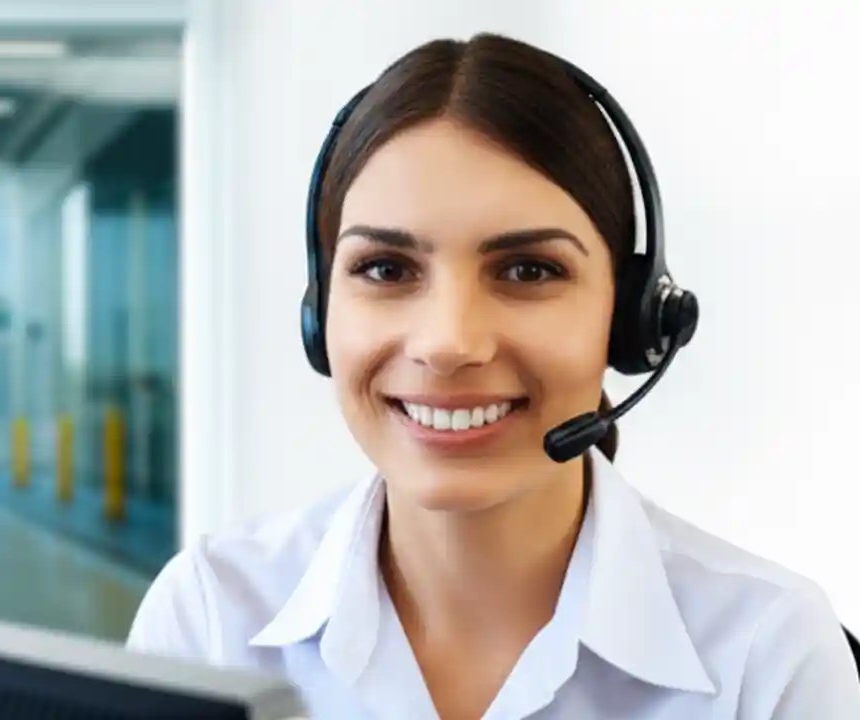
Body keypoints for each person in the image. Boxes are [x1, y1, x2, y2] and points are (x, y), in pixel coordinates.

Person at [125, 32, 860, 719]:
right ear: (321, 315)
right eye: (386, 269)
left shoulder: (766, 656)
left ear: (630, 319)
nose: (449, 343)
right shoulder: (212, 620)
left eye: (528, 270)